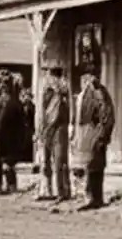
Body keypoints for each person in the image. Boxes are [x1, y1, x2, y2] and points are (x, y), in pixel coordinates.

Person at [72, 72, 115, 211]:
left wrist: (102, 135)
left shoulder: (98, 94)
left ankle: (95, 197)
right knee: (91, 166)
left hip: (96, 134)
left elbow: (106, 116)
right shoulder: (88, 95)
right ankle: (92, 196)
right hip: (89, 135)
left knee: (95, 166)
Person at [0, 73, 26, 194]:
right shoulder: (16, 103)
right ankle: (10, 185)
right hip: (10, 139)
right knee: (8, 163)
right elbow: (22, 124)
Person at [36, 66, 71, 202]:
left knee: (59, 161)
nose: (48, 79)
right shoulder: (46, 91)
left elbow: (61, 110)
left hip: (58, 128)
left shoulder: (61, 91)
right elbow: (42, 112)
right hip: (46, 129)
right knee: (45, 161)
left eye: (50, 75)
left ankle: (62, 191)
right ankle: (47, 189)